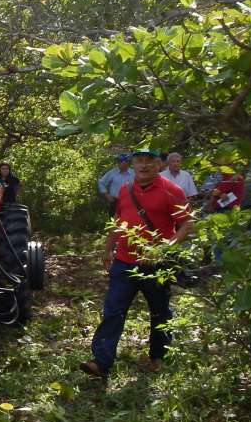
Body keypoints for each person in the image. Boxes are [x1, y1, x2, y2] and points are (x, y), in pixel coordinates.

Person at [82, 148, 193, 380]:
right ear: (132, 164)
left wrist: (164, 248)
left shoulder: (172, 191)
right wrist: (107, 247)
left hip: (156, 265)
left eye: (149, 162)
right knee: (113, 310)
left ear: (159, 165)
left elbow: (186, 224)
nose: (143, 166)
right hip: (124, 262)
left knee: (159, 312)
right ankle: (101, 362)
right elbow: (118, 221)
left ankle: (158, 357)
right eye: (139, 161)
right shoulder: (125, 189)